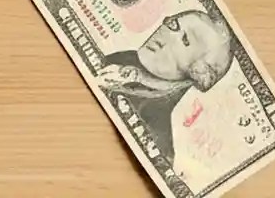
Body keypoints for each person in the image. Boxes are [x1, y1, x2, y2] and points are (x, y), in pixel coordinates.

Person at [97, 9, 235, 165]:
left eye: (185, 41)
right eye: (173, 24)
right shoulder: (116, 59)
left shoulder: (157, 138)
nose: (167, 35)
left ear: (198, 72)